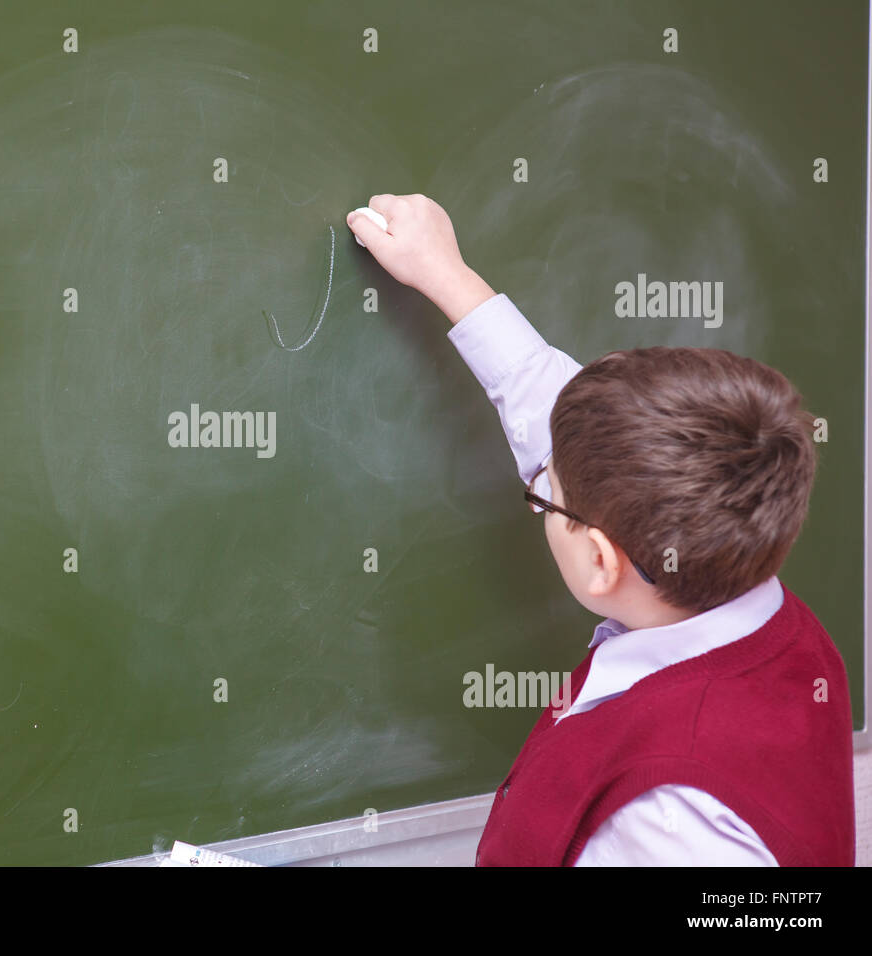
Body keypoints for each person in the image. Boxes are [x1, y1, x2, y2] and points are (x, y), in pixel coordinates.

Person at [347, 194, 854, 865]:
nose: (541, 490)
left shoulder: (667, 824)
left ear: (600, 560)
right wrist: (446, 273)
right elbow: (570, 421)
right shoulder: (750, 578)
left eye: (545, 499)